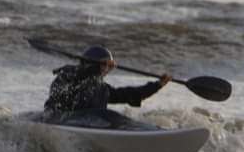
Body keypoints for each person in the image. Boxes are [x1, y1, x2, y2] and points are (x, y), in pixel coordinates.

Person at [43, 45, 171, 128]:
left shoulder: (101, 89)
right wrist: (96, 67)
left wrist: (157, 85)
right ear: (90, 63)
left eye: (109, 66)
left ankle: (148, 130)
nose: (107, 70)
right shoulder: (70, 75)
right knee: (105, 115)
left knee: (112, 116)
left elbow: (129, 94)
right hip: (60, 121)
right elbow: (81, 73)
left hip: (88, 124)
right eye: (104, 65)